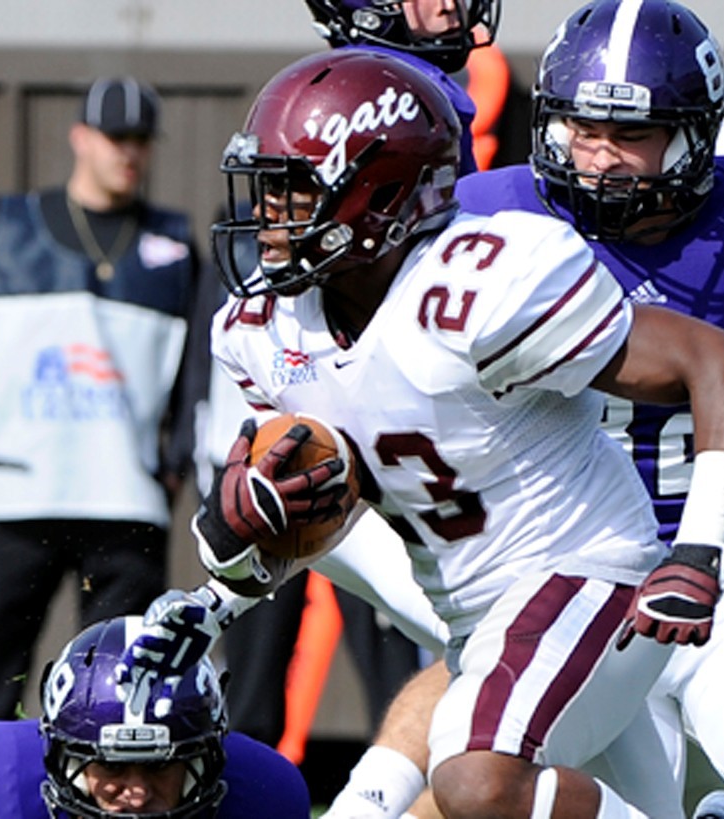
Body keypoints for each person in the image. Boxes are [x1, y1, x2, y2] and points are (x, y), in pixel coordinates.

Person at [118, 47, 724, 819]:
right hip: (479, 617)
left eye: (293, 186)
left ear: (379, 192)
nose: (267, 210)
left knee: (472, 778)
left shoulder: (480, 284)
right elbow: (315, 499)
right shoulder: (263, 328)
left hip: (593, 575)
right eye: (265, 185)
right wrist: (217, 600)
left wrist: (698, 550)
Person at [199, 0, 503, 755]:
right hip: (344, 421)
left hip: (406, 443)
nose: (450, 5)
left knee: (488, 659)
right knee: (495, 644)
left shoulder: (421, 97)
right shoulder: (352, 103)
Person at [0, 76, 200, 723]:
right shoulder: (14, 224)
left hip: (124, 498)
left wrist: (175, 462)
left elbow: (198, 368)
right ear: (80, 137)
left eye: (141, 139)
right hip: (19, 490)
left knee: (120, 687)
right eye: (116, 136)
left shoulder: (173, 245)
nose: (130, 152)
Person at [0, 615, 311, 818]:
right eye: (112, 767)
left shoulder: (264, 798)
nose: (137, 795)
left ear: (206, 758)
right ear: (63, 759)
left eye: (158, 767)